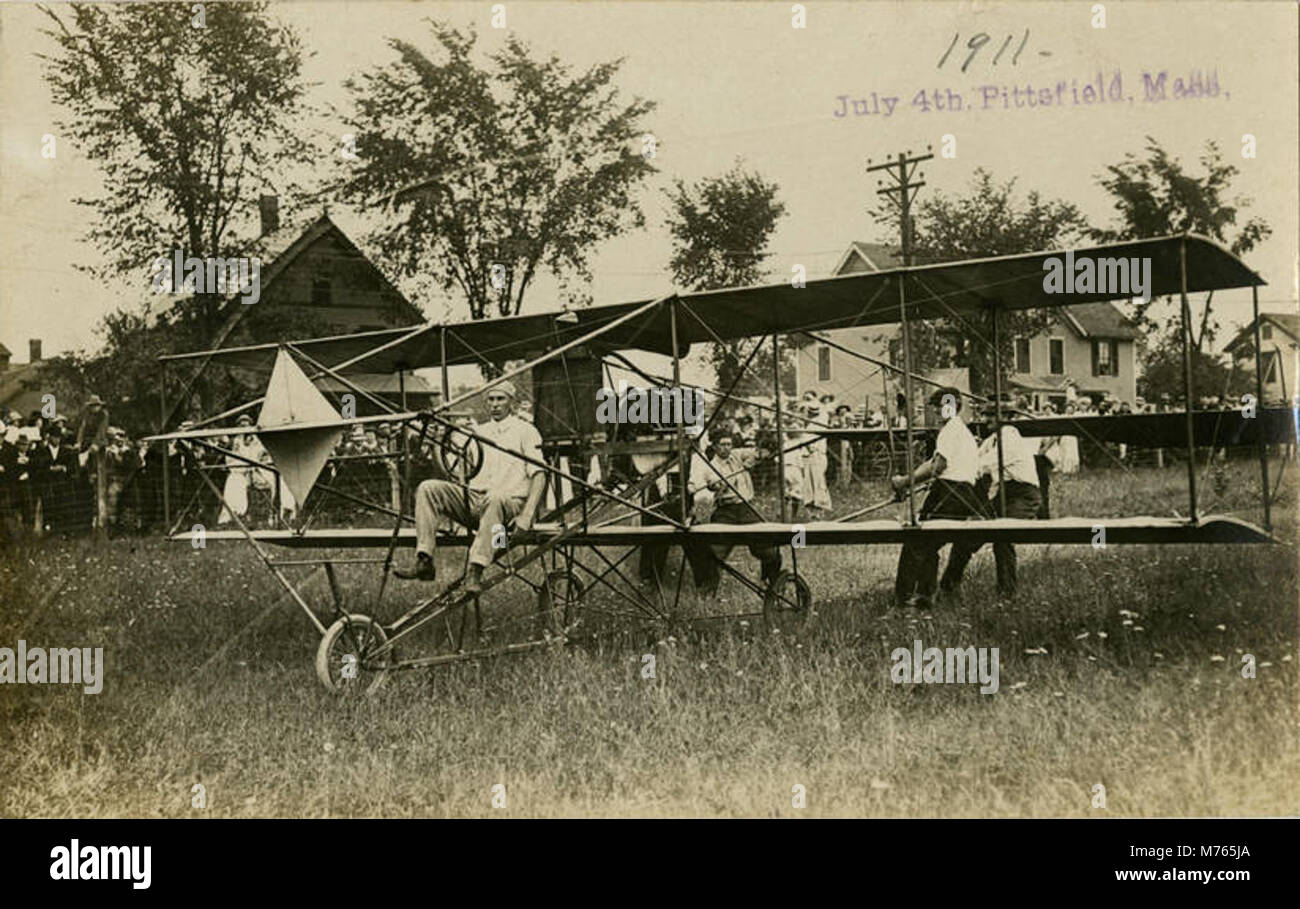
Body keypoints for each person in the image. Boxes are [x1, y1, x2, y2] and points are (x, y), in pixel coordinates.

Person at [400, 381, 546, 592]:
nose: (495, 404)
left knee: (495, 497)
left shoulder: (526, 431)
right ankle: (424, 559)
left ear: (511, 403)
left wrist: (526, 516)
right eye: (491, 399)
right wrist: (436, 441)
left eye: (500, 399)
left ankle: (475, 570)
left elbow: (539, 474)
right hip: (477, 501)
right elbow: (449, 467)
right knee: (427, 488)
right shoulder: (478, 431)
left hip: (508, 508)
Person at [891, 387, 983, 609]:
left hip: (950, 492)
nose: (931, 413)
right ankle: (924, 596)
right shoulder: (960, 431)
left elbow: (938, 466)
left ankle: (903, 602)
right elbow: (932, 463)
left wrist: (905, 482)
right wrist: (907, 479)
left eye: (933, 408)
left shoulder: (950, 430)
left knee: (916, 540)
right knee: (928, 543)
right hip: (965, 493)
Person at [940, 401, 1041, 598]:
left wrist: (957, 468)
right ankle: (949, 586)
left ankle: (1007, 592)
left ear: (1006, 417)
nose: (986, 420)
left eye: (992, 416)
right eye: (985, 415)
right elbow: (974, 457)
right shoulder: (993, 439)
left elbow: (980, 464)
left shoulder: (1011, 439)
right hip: (1001, 494)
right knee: (967, 537)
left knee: (1002, 536)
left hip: (1024, 495)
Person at [686, 428, 781, 594]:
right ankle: (708, 592)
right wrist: (718, 485)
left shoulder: (737, 455)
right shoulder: (710, 467)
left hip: (746, 508)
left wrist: (762, 453)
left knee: (769, 549)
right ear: (714, 447)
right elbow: (714, 486)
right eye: (722, 444)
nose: (726, 448)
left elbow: (761, 452)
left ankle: (773, 585)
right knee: (714, 555)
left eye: (729, 444)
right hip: (726, 512)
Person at [32, 422, 80, 535]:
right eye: (54, 437)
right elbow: (37, 468)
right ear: (49, 437)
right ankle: (48, 527)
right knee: (48, 504)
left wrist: (63, 468)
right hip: (47, 482)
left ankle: (64, 530)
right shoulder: (41, 451)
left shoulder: (65, 451)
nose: (57, 440)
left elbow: (72, 467)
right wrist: (49, 469)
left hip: (62, 482)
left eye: (58, 438)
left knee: (64, 504)